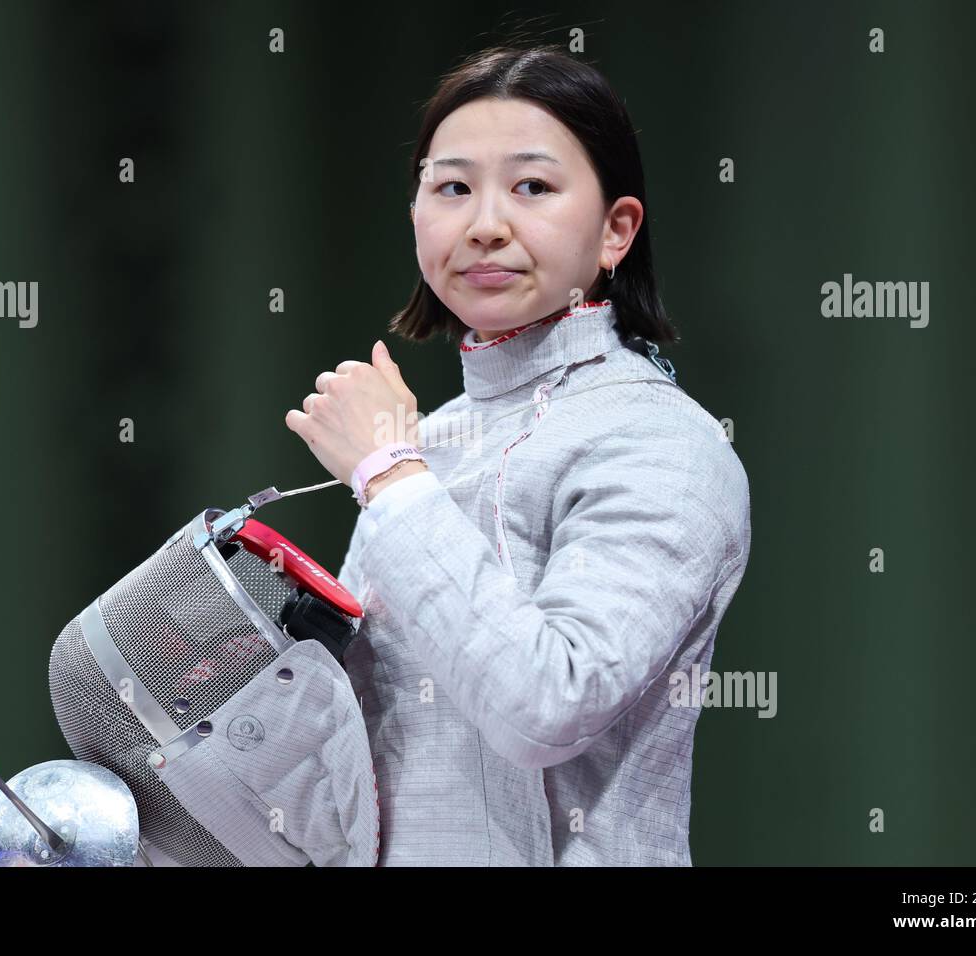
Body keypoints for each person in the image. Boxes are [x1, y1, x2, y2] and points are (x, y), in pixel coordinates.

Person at [284, 43, 751, 866]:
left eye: (532, 187)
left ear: (617, 231)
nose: (485, 224)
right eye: (452, 187)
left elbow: (545, 705)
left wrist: (388, 476)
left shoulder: (662, 443)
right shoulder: (426, 448)